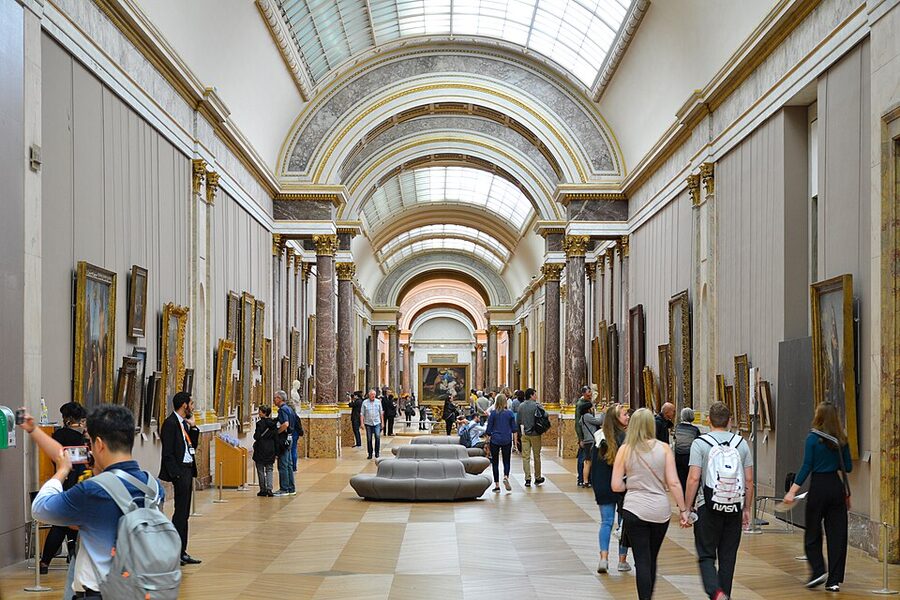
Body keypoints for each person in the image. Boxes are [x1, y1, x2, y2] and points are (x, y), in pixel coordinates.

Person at [23, 404, 167, 596]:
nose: (87, 450)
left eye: (89, 443)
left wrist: (62, 471)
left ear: (99, 444)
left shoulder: (93, 491)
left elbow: (40, 508)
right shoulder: (154, 485)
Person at [612, 408, 689, 600]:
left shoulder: (625, 450)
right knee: (652, 557)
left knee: (641, 560)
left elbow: (616, 485)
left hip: (634, 509)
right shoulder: (664, 449)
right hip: (659, 511)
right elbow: (673, 482)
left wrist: (631, 484)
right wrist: (683, 510)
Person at [684, 401, 753, 600]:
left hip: (707, 506)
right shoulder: (741, 443)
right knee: (728, 557)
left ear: (708, 420)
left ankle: (715, 592)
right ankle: (725, 595)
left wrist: (687, 508)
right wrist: (747, 508)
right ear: (730, 420)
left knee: (706, 554)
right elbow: (749, 479)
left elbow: (694, 478)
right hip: (734, 507)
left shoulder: (700, 443)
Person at [783, 402, 851, 592]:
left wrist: (792, 491)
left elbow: (807, 466)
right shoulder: (842, 440)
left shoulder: (812, 439)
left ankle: (818, 570)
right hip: (836, 487)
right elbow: (848, 467)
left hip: (818, 487)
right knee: (837, 534)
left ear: (818, 416)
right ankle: (834, 581)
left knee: (812, 530)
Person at [158, 391, 202, 565]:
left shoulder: (184, 423)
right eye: (191, 403)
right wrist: (176, 474)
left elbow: (193, 446)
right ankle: (175, 552)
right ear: (184, 405)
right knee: (180, 514)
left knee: (184, 514)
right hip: (180, 472)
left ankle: (182, 551)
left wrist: (194, 428)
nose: (193, 407)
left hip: (187, 469)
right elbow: (167, 453)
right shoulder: (170, 424)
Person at [591, 403, 631, 574]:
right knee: (624, 524)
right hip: (622, 486)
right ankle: (622, 561)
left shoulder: (599, 437)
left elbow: (594, 465)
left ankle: (604, 558)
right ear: (616, 419)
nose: (628, 417)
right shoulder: (626, 438)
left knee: (606, 522)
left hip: (603, 485)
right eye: (625, 414)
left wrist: (595, 486)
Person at [485, 394, 517, 493]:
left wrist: (487, 441)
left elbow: (488, 430)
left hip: (495, 439)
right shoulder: (510, 413)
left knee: (495, 462)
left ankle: (497, 485)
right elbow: (514, 430)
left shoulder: (493, 414)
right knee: (506, 460)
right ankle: (506, 476)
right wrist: (515, 444)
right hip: (507, 439)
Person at [517, 387, 545, 487]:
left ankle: (527, 479)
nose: (536, 396)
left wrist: (519, 434)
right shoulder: (537, 406)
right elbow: (544, 417)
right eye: (535, 394)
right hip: (535, 434)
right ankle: (537, 477)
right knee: (537, 456)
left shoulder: (521, 406)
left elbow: (518, 420)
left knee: (526, 457)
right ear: (531, 395)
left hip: (525, 434)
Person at [272, 391, 296, 496]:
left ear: (280, 398)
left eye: (275, 398)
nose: (274, 400)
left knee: (283, 464)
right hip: (290, 438)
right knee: (289, 464)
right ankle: (291, 488)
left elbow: (285, 424)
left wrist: (277, 433)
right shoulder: (289, 409)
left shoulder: (282, 410)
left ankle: (284, 488)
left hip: (284, 439)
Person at [577, 396, 603, 488]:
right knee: (588, 462)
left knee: (587, 461)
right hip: (590, 440)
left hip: (587, 440)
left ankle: (586, 480)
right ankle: (586, 481)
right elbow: (599, 421)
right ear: (588, 409)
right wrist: (603, 413)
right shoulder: (587, 416)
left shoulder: (583, 417)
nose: (593, 409)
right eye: (592, 408)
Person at [673, 407, 701, 493]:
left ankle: (681, 496)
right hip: (689, 456)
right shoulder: (694, 429)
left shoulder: (677, 427)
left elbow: (675, 439)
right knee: (689, 477)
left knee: (681, 478)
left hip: (678, 455)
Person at [252, 405, 278, 497]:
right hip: (270, 448)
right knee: (269, 469)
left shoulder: (259, 424)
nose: (259, 413)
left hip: (260, 448)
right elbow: (276, 438)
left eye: (260, 411)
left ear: (264, 413)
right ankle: (269, 489)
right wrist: (276, 451)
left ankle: (263, 489)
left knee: (260, 469)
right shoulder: (273, 424)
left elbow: (256, 436)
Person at [574, 386, 592, 486]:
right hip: (584, 436)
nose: (590, 394)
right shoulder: (580, 404)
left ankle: (586, 478)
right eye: (589, 392)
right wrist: (580, 438)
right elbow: (577, 423)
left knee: (586, 457)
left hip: (587, 434)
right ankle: (580, 479)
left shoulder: (588, 402)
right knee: (582, 457)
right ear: (584, 393)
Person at [362, 389, 384, 459]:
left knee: (377, 437)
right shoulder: (365, 402)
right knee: (369, 439)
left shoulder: (378, 402)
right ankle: (370, 453)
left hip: (377, 422)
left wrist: (382, 423)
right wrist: (362, 423)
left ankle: (377, 452)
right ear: (369, 395)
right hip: (368, 423)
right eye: (372, 394)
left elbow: (381, 413)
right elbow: (362, 414)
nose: (373, 396)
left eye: (374, 394)